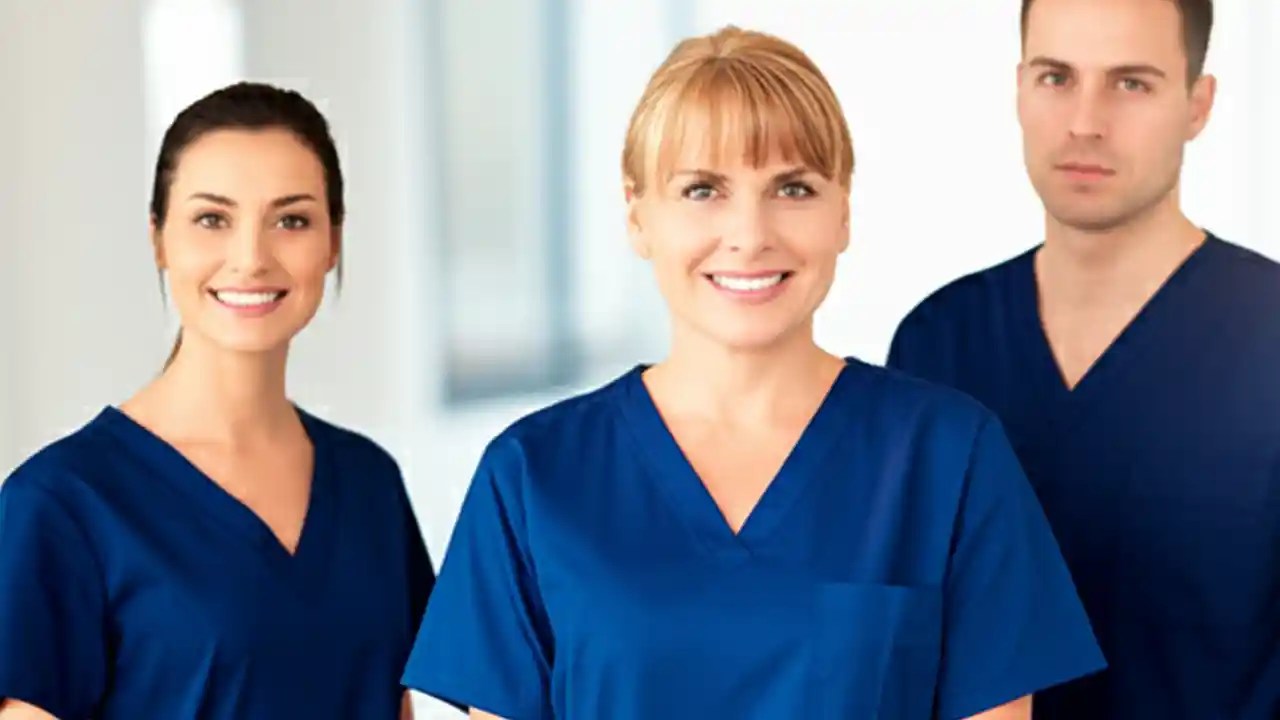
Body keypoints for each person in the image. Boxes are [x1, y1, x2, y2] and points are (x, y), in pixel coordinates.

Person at [401, 26, 1105, 719]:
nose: (750, 234)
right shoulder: (532, 476)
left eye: (793, 189)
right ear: (638, 215)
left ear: (844, 212)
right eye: (703, 190)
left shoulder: (949, 458)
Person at [886, 0, 1280, 717]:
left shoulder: (1270, 335)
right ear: (1018, 89)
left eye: (1131, 82)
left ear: (1198, 104)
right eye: (1056, 77)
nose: (1085, 122)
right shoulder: (938, 344)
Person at [0, 82, 435, 719]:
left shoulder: (369, 482)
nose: (251, 258)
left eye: (291, 220)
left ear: (332, 241)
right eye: (212, 219)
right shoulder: (63, 503)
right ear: (158, 239)